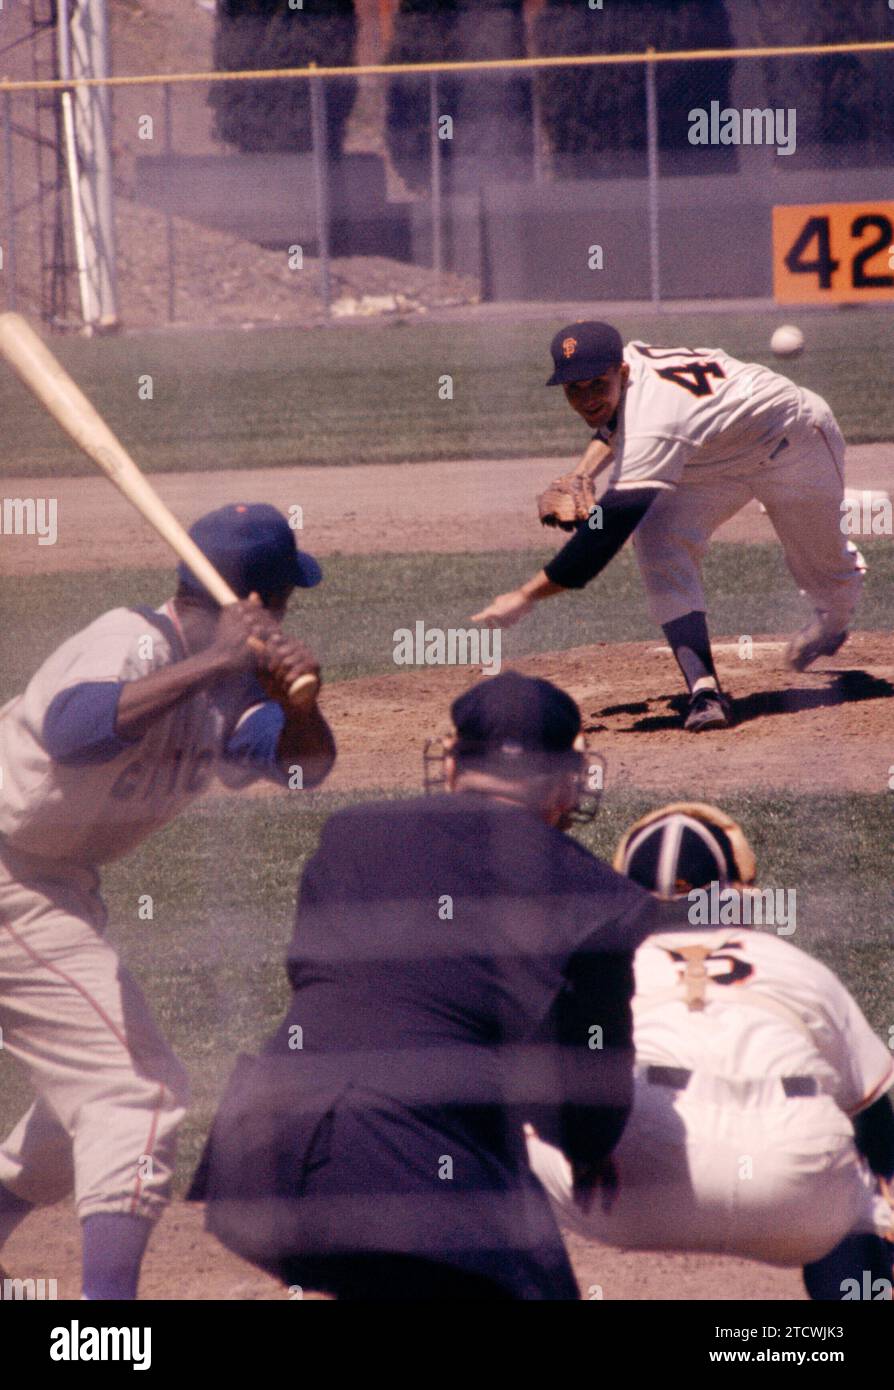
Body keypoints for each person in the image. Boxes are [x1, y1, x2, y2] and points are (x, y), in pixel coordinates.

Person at [190, 671, 657, 1300]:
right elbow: (586, 1093)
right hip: (418, 1171)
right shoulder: (597, 897)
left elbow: (314, 974)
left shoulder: (350, 834)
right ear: (569, 778)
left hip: (262, 1151)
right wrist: (586, 1147)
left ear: (453, 763)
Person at [0, 502, 335, 1299]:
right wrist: (214, 663)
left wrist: (298, 708)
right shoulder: (130, 641)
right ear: (259, 602)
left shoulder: (228, 689)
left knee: (84, 1091)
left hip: (52, 889)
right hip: (11, 883)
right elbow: (76, 729)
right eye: (285, 599)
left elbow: (302, 769)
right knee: (136, 1094)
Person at [526, 803, 894, 1299]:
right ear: (734, 893)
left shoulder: (608, 960)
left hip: (637, 1168)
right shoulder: (791, 963)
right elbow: (874, 1115)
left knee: (498, 1145)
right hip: (792, 1167)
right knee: (862, 1205)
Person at [472, 321, 864, 731]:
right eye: (574, 389)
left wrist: (526, 595)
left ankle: (832, 622)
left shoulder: (655, 419)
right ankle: (704, 689)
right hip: (711, 461)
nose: (586, 398)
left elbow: (605, 536)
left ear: (620, 373)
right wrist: (582, 473)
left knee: (825, 569)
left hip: (795, 445)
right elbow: (615, 421)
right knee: (658, 537)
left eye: (596, 384)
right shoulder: (632, 362)